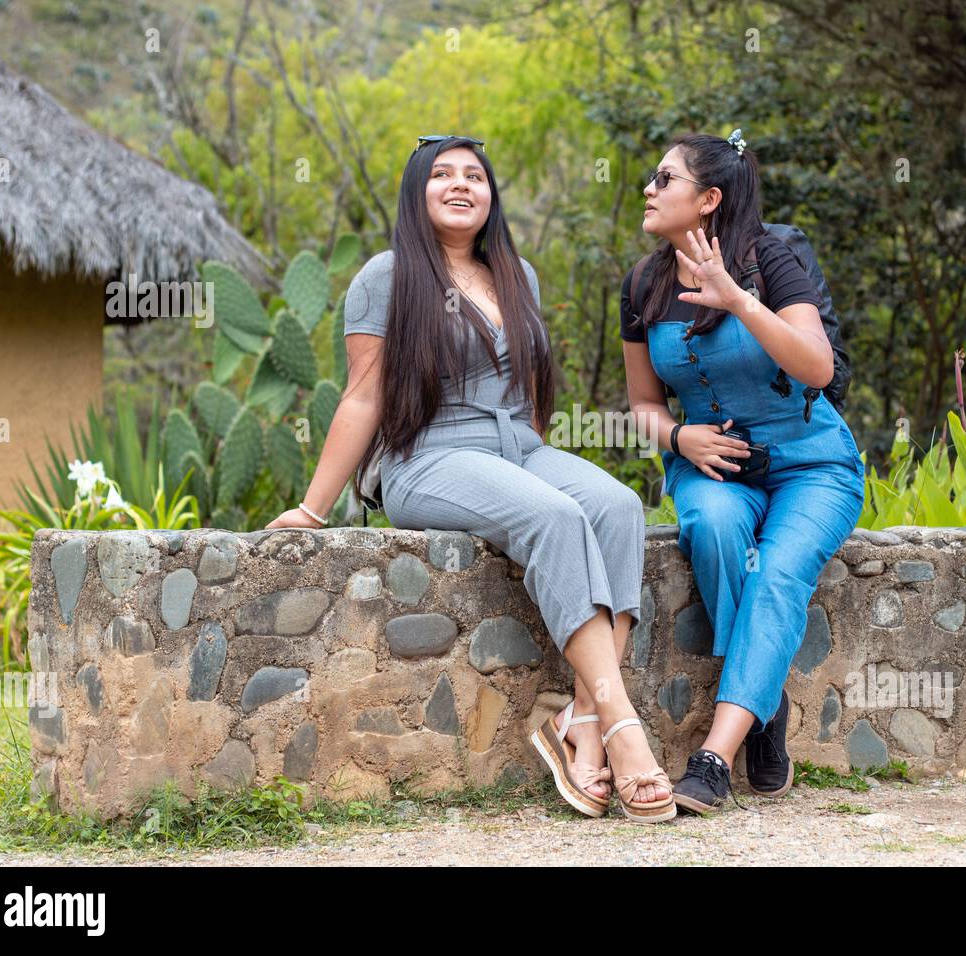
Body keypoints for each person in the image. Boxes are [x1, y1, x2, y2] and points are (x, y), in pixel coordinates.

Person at [267, 135, 674, 822]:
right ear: (417, 194)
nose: (461, 185)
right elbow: (364, 395)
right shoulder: (386, 276)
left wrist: (539, 463)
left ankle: (577, 720)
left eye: (475, 176)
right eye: (443, 175)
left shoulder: (519, 276)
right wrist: (313, 507)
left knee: (617, 506)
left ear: (491, 197)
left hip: (516, 446)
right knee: (554, 517)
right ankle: (619, 728)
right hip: (428, 456)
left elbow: (530, 391)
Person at [620, 130, 864, 814]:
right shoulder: (643, 283)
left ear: (709, 200)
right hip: (713, 466)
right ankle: (766, 702)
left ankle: (713, 758)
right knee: (715, 529)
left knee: (778, 569)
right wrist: (678, 435)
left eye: (665, 179)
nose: (649, 187)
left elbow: (818, 368)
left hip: (811, 464)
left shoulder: (771, 260)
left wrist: (737, 298)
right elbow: (641, 403)